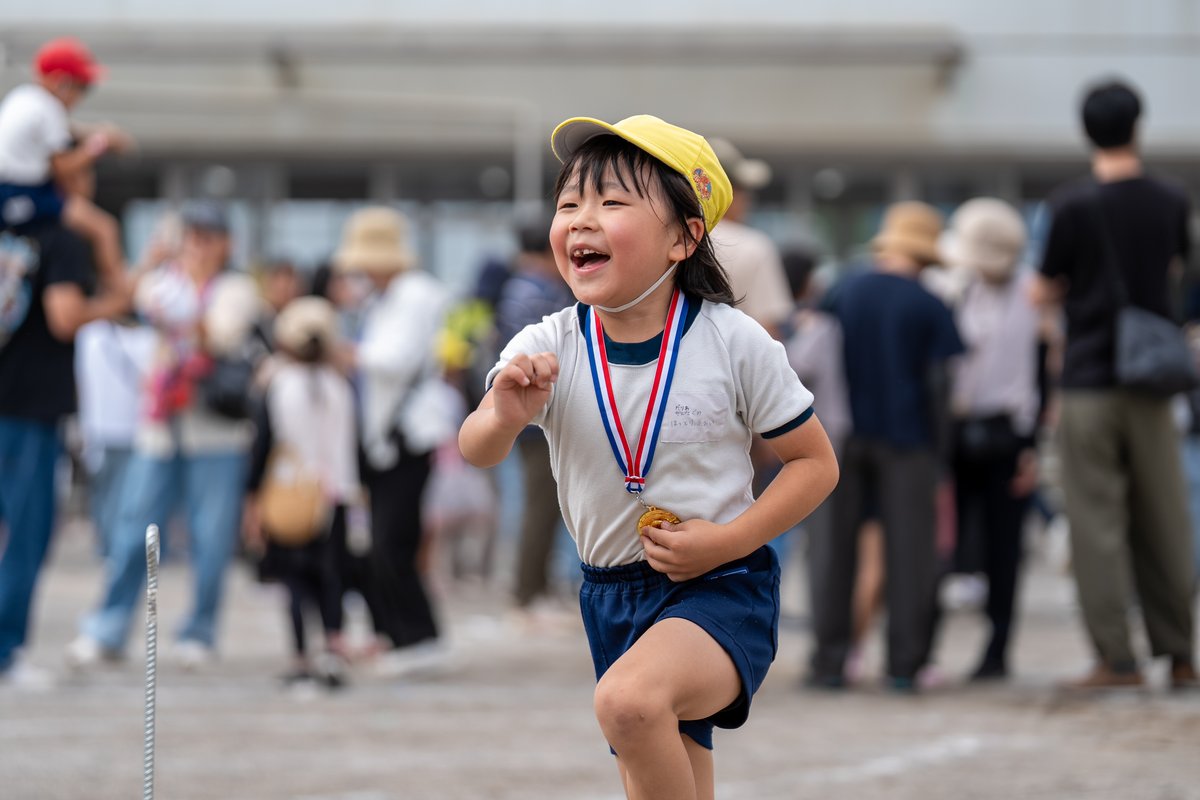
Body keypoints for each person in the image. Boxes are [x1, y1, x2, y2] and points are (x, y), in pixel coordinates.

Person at [459, 114, 839, 800]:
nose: (581, 220)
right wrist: (504, 413)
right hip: (609, 593)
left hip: (721, 584)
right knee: (663, 764)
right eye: (569, 203)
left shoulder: (734, 340)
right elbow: (476, 447)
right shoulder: (547, 340)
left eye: (611, 202)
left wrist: (727, 541)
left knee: (628, 704)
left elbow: (816, 464)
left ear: (683, 237)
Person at [1030, 79, 1197, 690]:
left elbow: (1044, 289)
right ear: (1137, 125)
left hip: (1091, 377)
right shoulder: (1171, 199)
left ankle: (1116, 660)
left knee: (1096, 521)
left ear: (1087, 131)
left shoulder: (1073, 205)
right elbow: (1174, 269)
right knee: (1165, 516)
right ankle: (1180, 654)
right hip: (1155, 376)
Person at [68, 201, 262, 669]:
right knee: (134, 528)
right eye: (191, 235)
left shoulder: (235, 289)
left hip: (215, 433)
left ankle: (199, 630)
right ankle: (107, 628)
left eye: (207, 236)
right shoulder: (162, 280)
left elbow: (215, 335)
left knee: (211, 537)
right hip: (158, 428)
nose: (197, 245)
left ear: (225, 244)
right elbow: (128, 299)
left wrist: (186, 300)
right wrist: (152, 261)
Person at [808, 201, 964, 693]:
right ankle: (905, 663)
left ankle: (830, 661)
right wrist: (942, 454)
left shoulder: (842, 290)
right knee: (910, 552)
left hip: (837, 436)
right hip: (909, 438)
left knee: (832, 551)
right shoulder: (930, 303)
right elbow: (940, 385)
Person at [0, 219, 131, 688]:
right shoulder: (58, 237)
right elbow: (64, 315)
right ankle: (5, 650)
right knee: (25, 533)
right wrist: (107, 243)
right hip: (27, 408)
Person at [333, 206, 452, 676]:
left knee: (392, 543)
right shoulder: (383, 297)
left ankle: (420, 638)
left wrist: (347, 352)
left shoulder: (414, 292)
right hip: (385, 437)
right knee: (383, 542)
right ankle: (400, 634)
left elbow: (397, 358)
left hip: (407, 435)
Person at [941, 198, 1041, 681]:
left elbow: (1046, 372)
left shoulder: (1033, 293)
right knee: (951, 539)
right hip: (959, 432)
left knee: (1006, 545)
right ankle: (930, 645)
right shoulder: (959, 290)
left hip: (1011, 433)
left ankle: (998, 647)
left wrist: (1034, 446)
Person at [243, 297, 358, 689]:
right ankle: (333, 649)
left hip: (290, 494)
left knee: (293, 579)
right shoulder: (339, 385)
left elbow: (263, 445)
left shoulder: (279, 385)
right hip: (336, 493)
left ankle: (299, 655)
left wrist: (252, 497)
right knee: (331, 577)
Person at [493, 214, 575, 625]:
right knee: (541, 506)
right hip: (535, 418)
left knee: (543, 504)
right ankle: (528, 592)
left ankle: (536, 588)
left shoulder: (517, 287)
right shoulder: (536, 292)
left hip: (529, 416)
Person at [0, 37, 133, 290]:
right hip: (18, 193)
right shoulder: (48, 108)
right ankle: (119, 296)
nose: (80, 96)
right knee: (104, 229)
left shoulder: (25, 98)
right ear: (62, 82)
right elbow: (64, 167)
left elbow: (69, 132)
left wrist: (100, 135)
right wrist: (98, 146)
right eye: (82, 87)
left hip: (20, 190)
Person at [708, 138, 792, 339]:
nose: (747, 200)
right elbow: (768, 326)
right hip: (734, 366)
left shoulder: (671, 239)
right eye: (743, 189)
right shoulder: (753, 246)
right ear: (725, 191)